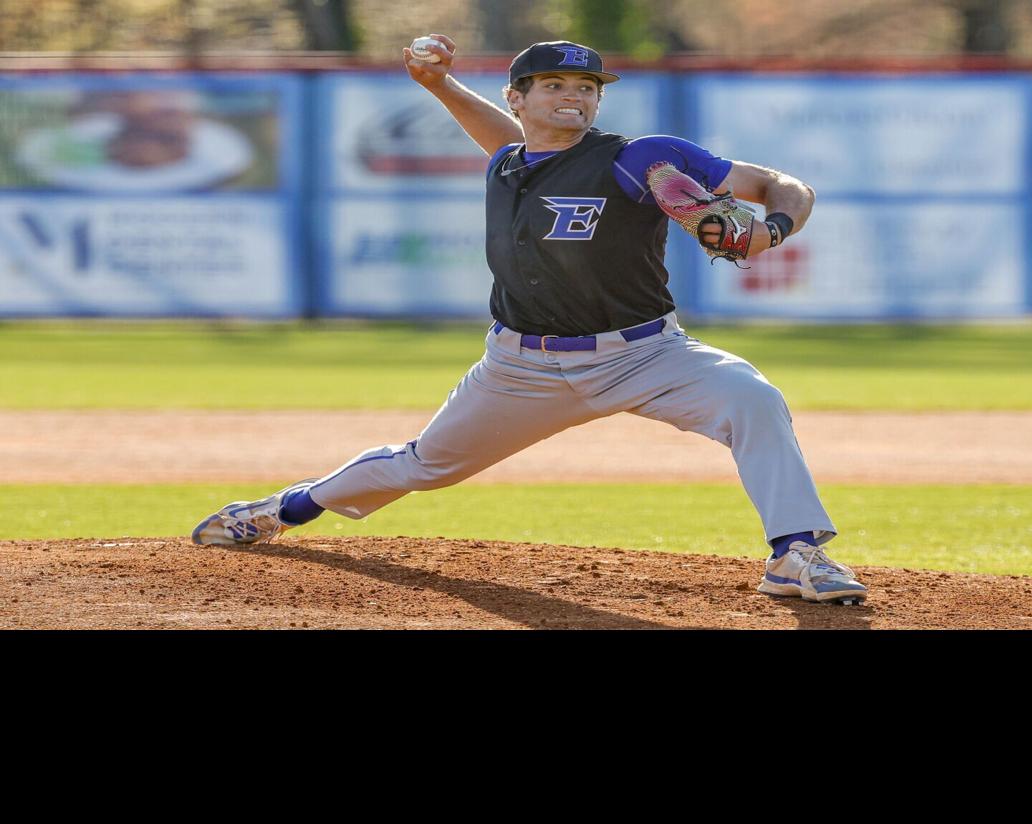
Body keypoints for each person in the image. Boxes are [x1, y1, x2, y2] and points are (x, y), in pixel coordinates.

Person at [191, 36, 866, 605]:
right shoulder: (510, 165)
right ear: (518, 97)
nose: (573, 96)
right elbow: (509, 144)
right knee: (423, 465)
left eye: (586, 86)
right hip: (520, 367)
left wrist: (773, 226)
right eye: (552, 84)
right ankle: (279, 511)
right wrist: (439, 84)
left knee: (752, 397)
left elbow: (785, 186)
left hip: (645, 355)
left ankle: (794, 553)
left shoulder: (638, 158)